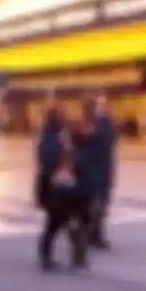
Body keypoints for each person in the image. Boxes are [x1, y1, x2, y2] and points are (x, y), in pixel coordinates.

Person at [36, 108, 93, 271]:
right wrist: (61, 164)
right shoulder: (49, 139)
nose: (64, 120)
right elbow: (47, 162)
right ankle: (47, 257)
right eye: (61, 118)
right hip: (56, 187)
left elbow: (77, 152)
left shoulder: (65, 137)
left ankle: (78, 255)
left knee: (71, 222)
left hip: (69, 187)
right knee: (55, 224)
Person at [83, 96, 117, 250]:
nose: (105, 107)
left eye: (106, 104)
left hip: (105, 169)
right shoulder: (89, 122)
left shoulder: (107, 123)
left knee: (102, 204)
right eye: (101, 105)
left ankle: (96, 235)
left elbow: (108, 139)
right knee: (93, 204)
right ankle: (89, 235)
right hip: (92, 169)